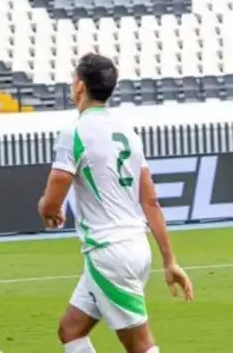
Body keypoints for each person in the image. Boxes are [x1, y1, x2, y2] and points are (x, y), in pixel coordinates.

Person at [37, 53, 194, 353]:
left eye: (73, 79)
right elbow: (150, 201)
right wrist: (169, 260)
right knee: (71, 329)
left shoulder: (74, 133)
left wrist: (48, 210)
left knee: (140, 345)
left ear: (80, 86)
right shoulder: (127, 131)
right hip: (135, 247)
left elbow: (50, 203)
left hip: (109, 253)